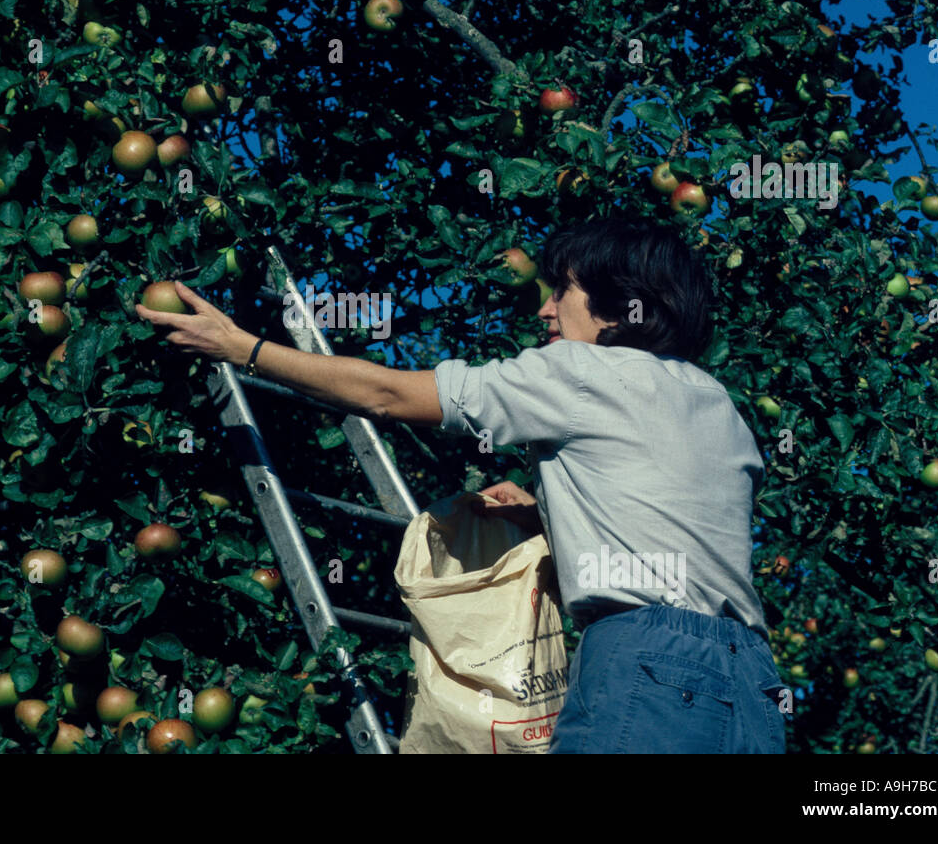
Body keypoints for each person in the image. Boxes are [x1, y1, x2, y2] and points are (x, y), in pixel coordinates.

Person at [137, 217, 786, 753]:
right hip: (753, 686)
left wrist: (241, 347)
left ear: (620, 305)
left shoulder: (582, 371)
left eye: (562, 290)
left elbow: (388, 395)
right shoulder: (715, 404)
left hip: (645, 662)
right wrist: (546, 514)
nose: (545, 308)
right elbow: (672, 522)